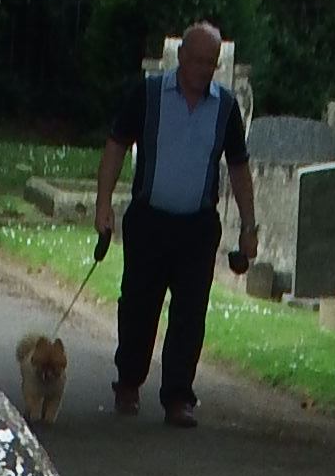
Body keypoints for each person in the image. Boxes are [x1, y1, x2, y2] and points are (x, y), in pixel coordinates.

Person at [94, 21, 257, 428]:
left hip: (197, 226)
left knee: (190, 313)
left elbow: (238, 167)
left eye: (211, 63)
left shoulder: (225, 106)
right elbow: (116, 146)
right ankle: (128, 382)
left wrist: (249, 226)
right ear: (181, 56)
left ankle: (178, 397)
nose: (204, 69)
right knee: (137, 304)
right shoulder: (148, 94)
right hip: (149, 218)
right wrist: (103, 205)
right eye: (198, 60)